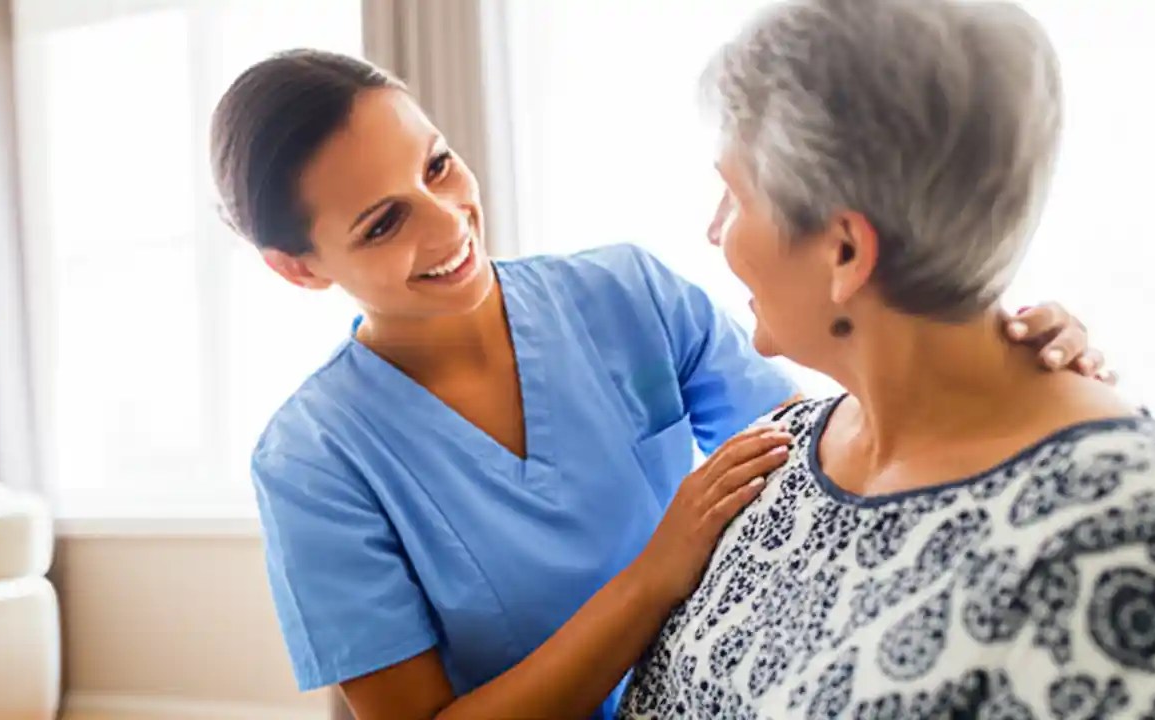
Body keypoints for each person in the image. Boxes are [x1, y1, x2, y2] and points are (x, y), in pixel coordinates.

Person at [209, 48, 1108, 720]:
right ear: (300, 268)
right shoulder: (312, 460)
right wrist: (653, 578)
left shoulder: (625, 294)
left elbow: (834, 455)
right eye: (383, 223)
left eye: (437, 165)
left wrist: (988, 364)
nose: (448, 225)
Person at [619, 1, 1155, 717]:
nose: (715, 231)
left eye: (736, 197)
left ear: (845, 252)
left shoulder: (1132, 531)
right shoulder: (775, 458)